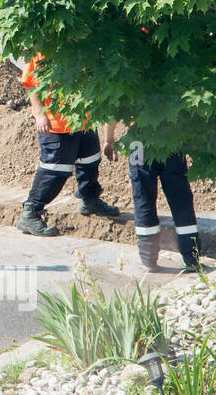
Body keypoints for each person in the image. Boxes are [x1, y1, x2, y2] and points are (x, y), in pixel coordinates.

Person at [15, 53, 121, 237]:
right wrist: (39, 115)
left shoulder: (85, 41)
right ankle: (31, 212)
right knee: (55, 170)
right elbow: (31, 84)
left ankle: (90, 200)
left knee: (90, 161)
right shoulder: (40, 47)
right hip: (57, 123)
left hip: (84, 119)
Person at [103, 124, 200, 272]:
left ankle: (148, 259)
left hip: (138, 142)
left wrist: (108, 139)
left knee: (143, 197)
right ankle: (192, 257)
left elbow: (112, 115)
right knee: (180, 197)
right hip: (170, 138)